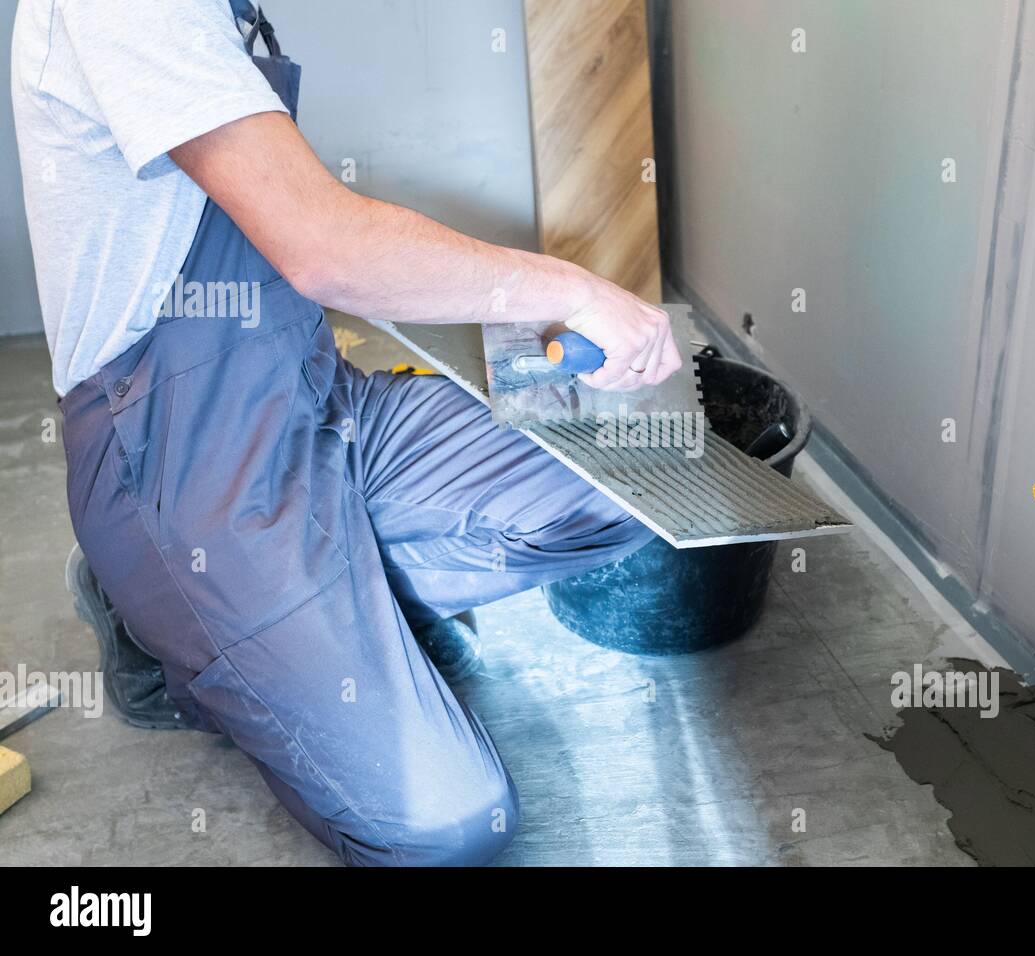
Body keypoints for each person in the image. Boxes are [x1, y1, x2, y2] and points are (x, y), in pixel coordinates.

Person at [11, 0, 679, 865]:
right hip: (181, 471)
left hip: (317, 401)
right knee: (448, 827)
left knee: (629, 481)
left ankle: (315, 617)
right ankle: (157, 616)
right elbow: (319, 244)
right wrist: (566, 289)